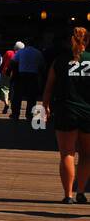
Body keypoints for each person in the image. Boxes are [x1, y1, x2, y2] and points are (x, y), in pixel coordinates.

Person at [43, 26, 90, 203]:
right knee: (87, 154)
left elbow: (48, 87)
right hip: (88, 113)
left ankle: (68, 195)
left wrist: (45, 107)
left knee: (67, 153)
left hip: (66, 111)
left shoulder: (60, 61)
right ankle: (81, 191)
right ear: (87, 41)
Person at [12, 39, 45, 121]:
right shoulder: (38, 52)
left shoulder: (21, 52)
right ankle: (29, 115)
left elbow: (13, 61)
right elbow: (42, 64)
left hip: (21, 75)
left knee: (18, 95)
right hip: (33, 75)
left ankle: (16, 114)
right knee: (32, 97)